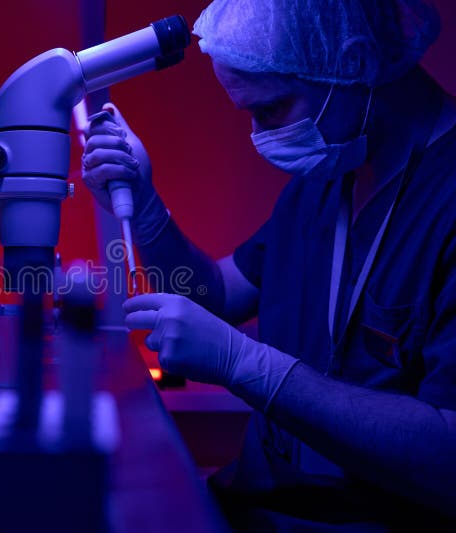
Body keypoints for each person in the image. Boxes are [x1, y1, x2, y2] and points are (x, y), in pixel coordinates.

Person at [81, 0, 456, 530]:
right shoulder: (326, 182)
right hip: (255, 508)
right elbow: (214, 294)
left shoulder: (444, 199)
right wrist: (146, 209)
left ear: (352, 62)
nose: (259, 136)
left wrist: (249, 366)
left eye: (272, 110)